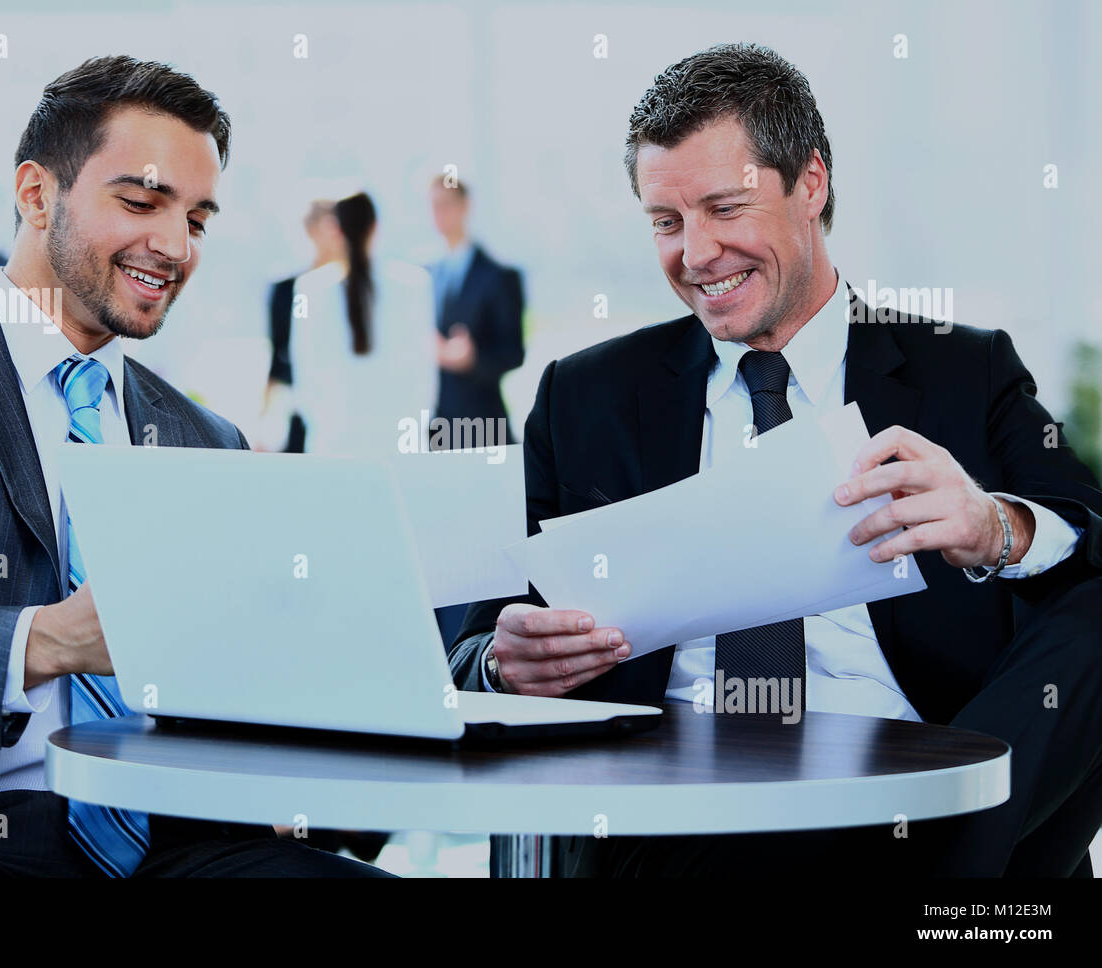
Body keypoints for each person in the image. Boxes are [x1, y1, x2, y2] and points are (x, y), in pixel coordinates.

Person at [447, 43, 1102, 877]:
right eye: (666, 221)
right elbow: (471, 646)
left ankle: (942, 863)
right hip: (676, 809)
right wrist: (504, 663)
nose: (696, 253)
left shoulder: (962, 369)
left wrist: (996, 528)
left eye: (725, 208)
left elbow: (1088, 532)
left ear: (812, 184)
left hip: (912, 781)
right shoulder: (586, 395)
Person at [0, 55, 385, 878]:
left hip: (174, 840)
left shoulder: (205, 439)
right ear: (36, 195)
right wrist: (42, 642)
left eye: (199, 219)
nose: (175, 245)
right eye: (142, 202)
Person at [427, 176, 527, 649]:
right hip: (434, 431)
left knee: (486, 558)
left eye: (446, 204)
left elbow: (513, 353)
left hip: (484, 427)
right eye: (433, 206)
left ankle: (481, 646)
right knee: (440, 554)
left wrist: (471, 360)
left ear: (464, 207)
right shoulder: (426, 275)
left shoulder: (500, 276)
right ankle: (447, 652)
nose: (439, 214)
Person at [270, 191, 436, 457]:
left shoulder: (309, 288)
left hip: (333, 445)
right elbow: (424, 376)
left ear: (335, 230)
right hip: (400, 448)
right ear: (376, 227)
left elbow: (304, 381)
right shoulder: (415, 283)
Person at [261, 199, 345, 453]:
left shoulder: (356, 293)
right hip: (297, 409)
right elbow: (278, 357)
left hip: (343, 410)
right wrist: (264, 424)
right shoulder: (286, 289)